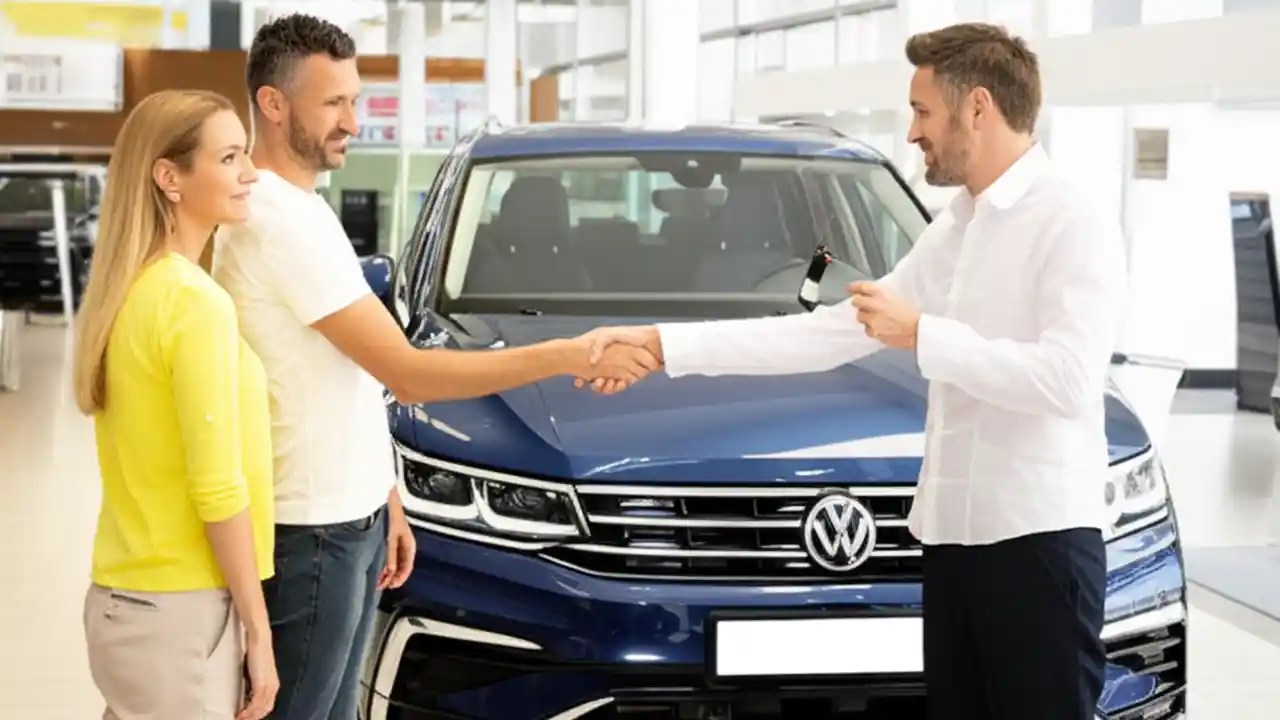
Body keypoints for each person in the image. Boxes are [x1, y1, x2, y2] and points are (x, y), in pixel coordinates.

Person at [585, 22, 1126, 720]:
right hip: (955, 546)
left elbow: (1069, 379)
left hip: (1039, 549)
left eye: (923, 111)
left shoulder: (1072, 220)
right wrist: (662, 347)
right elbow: (828, 334)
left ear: (979, 108)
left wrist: (924, 334)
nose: (912, 133)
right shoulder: (956, 228)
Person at [212, 13, 657, 719]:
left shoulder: (306, 211)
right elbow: (410, 373)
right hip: (312, 528)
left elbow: (353, 377)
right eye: (334, 103)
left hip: (346, 512)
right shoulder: (276, 221)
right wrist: (570, 353)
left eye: (354, 100)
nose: (353, 122)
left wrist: (386, 492)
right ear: (272, 103)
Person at [73, 89, 278, 720]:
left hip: (123, 601)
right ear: (170, 177)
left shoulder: (132, 289)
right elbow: (217, 489)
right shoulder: (193, 303)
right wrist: (259, 632)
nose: (250, 173)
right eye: (229, 157)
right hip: (179, 617)